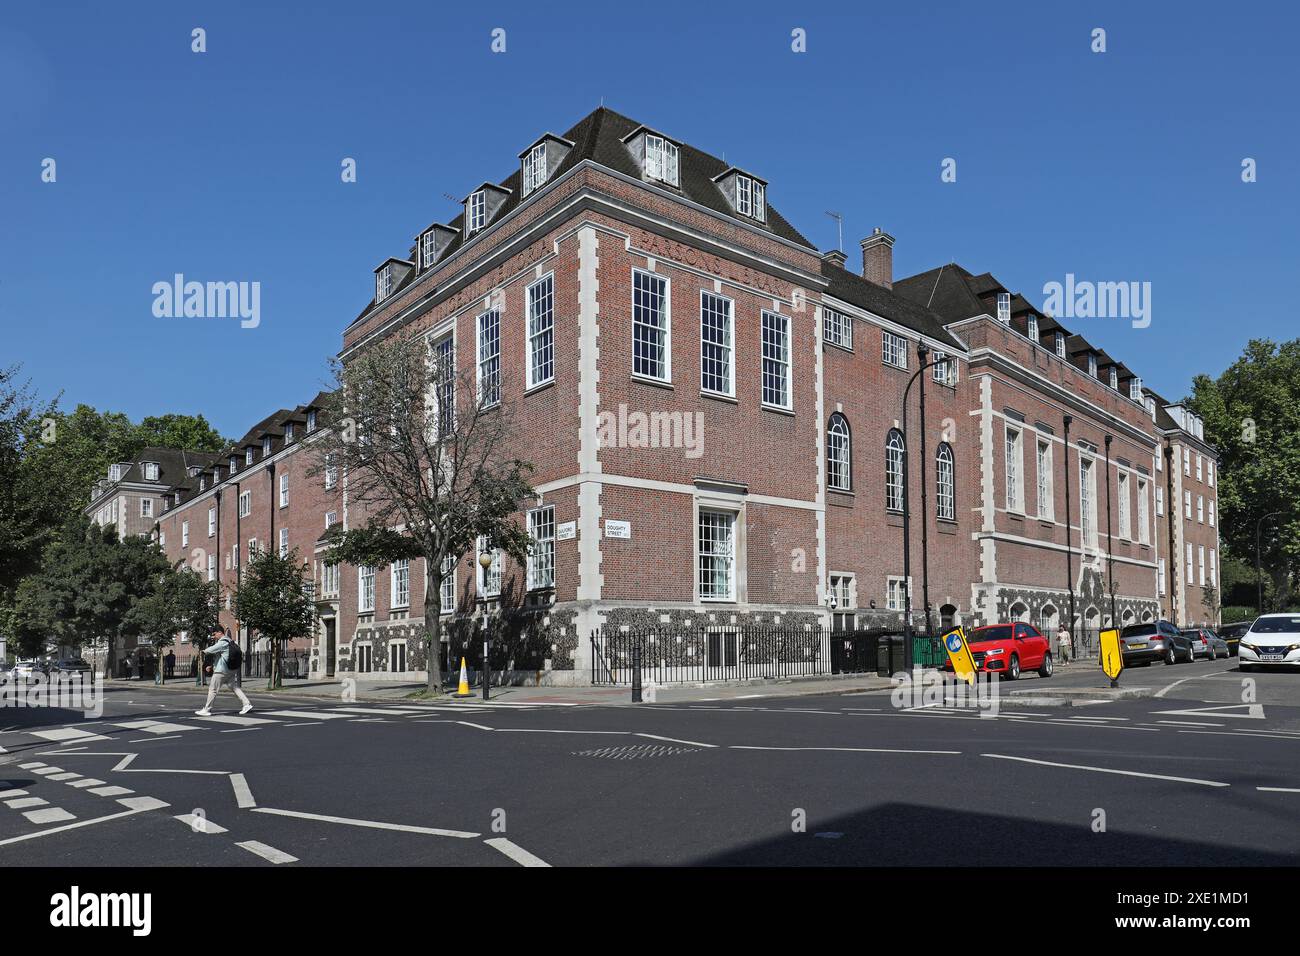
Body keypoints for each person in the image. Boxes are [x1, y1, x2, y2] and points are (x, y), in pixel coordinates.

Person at [195, 626, 252, 716]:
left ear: (219, 632)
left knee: (213, 689)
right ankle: (246, 704)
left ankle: (207, 709)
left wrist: (203, 651)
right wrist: (211, 666)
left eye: (214, 634)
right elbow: (220, 656)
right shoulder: (229, 641)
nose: (213, 636)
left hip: (221, 671)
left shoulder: (222, 642)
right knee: (234, 687)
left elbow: (211, 650)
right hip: (230, 670)